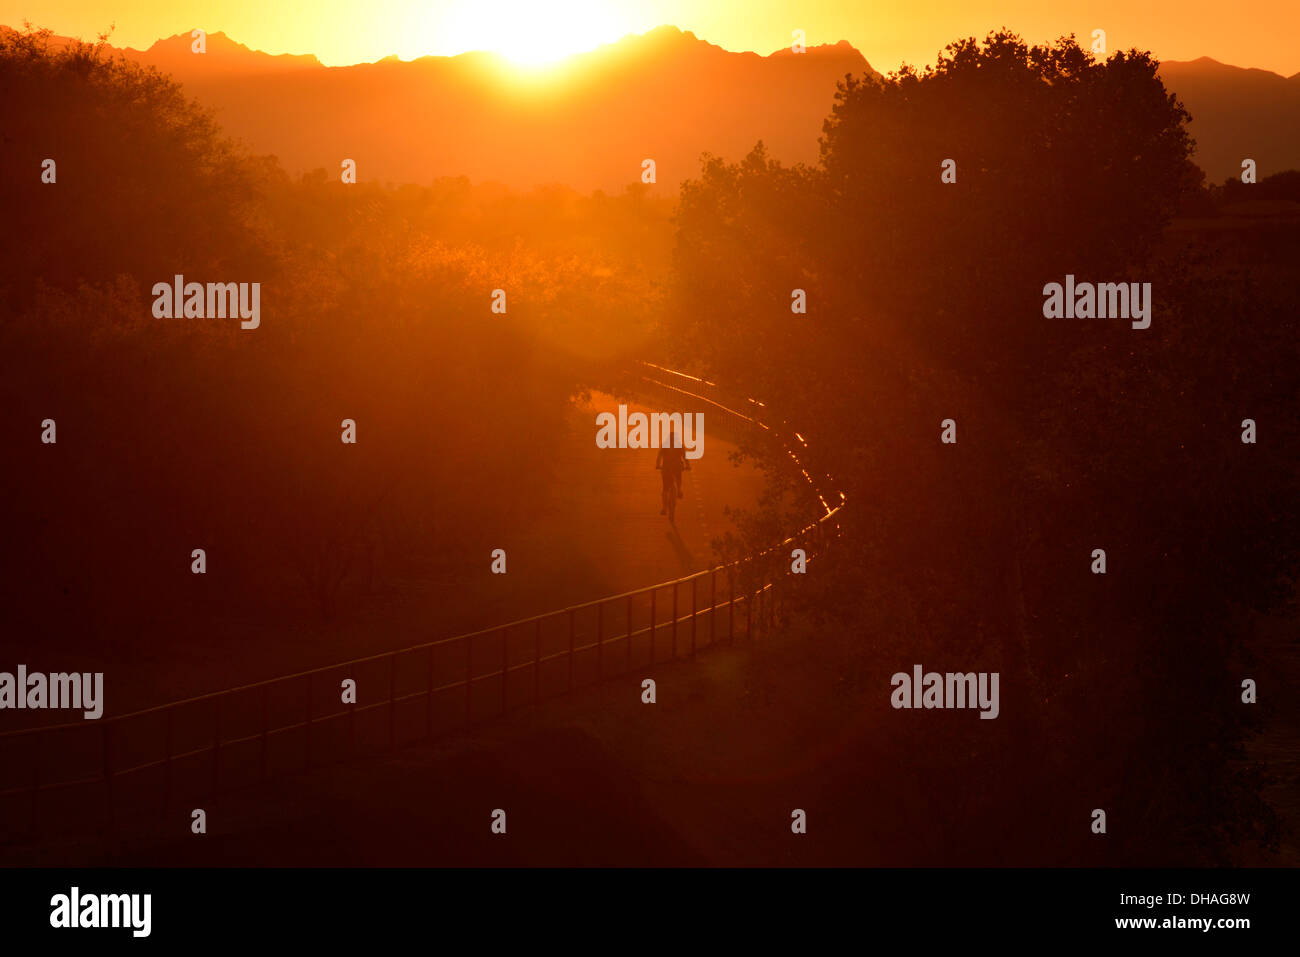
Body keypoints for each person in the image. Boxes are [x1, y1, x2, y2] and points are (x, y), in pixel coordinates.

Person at [655, 426, 689, 520]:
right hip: (677, 467)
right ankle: (679, 490)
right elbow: (685, 457)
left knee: (665, 488)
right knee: (678, 478)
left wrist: (658, 465)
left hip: (666, 468)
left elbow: (659, 456)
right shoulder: (680, 445)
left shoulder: (665, 445)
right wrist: (688, 466)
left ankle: (664, 508)